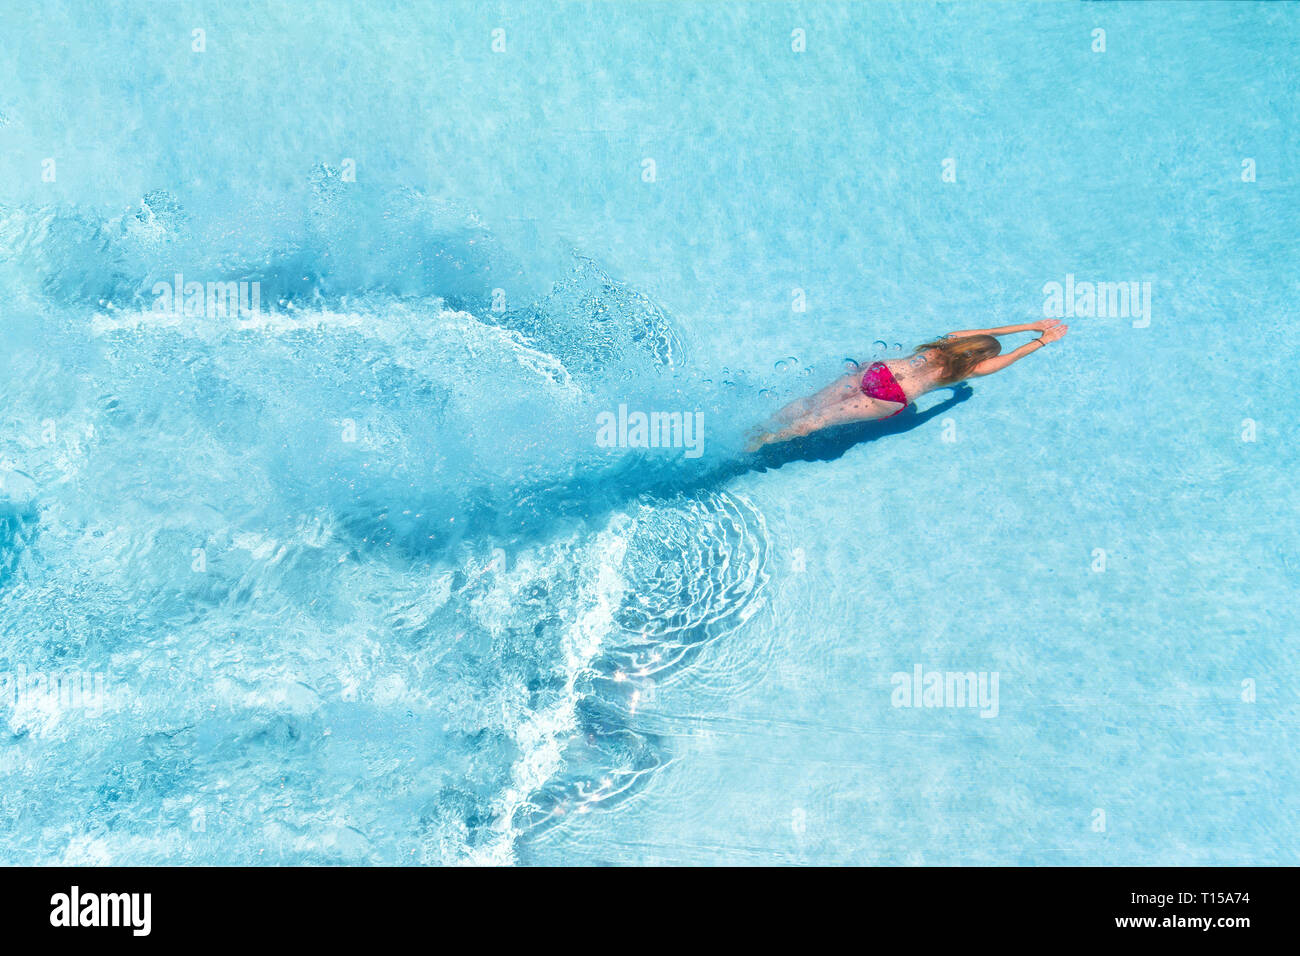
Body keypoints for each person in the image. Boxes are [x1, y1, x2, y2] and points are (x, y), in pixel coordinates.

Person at [746, 320, 1069, 450]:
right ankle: (768, 439)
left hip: (878, 372)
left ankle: (761, 426)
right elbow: (1011, 356)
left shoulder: (946, 342)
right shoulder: (975, 368)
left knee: (809, 404)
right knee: (820, 421)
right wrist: (1042, 341)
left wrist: (1031, 324)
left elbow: (984, 334)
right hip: (892, 397)